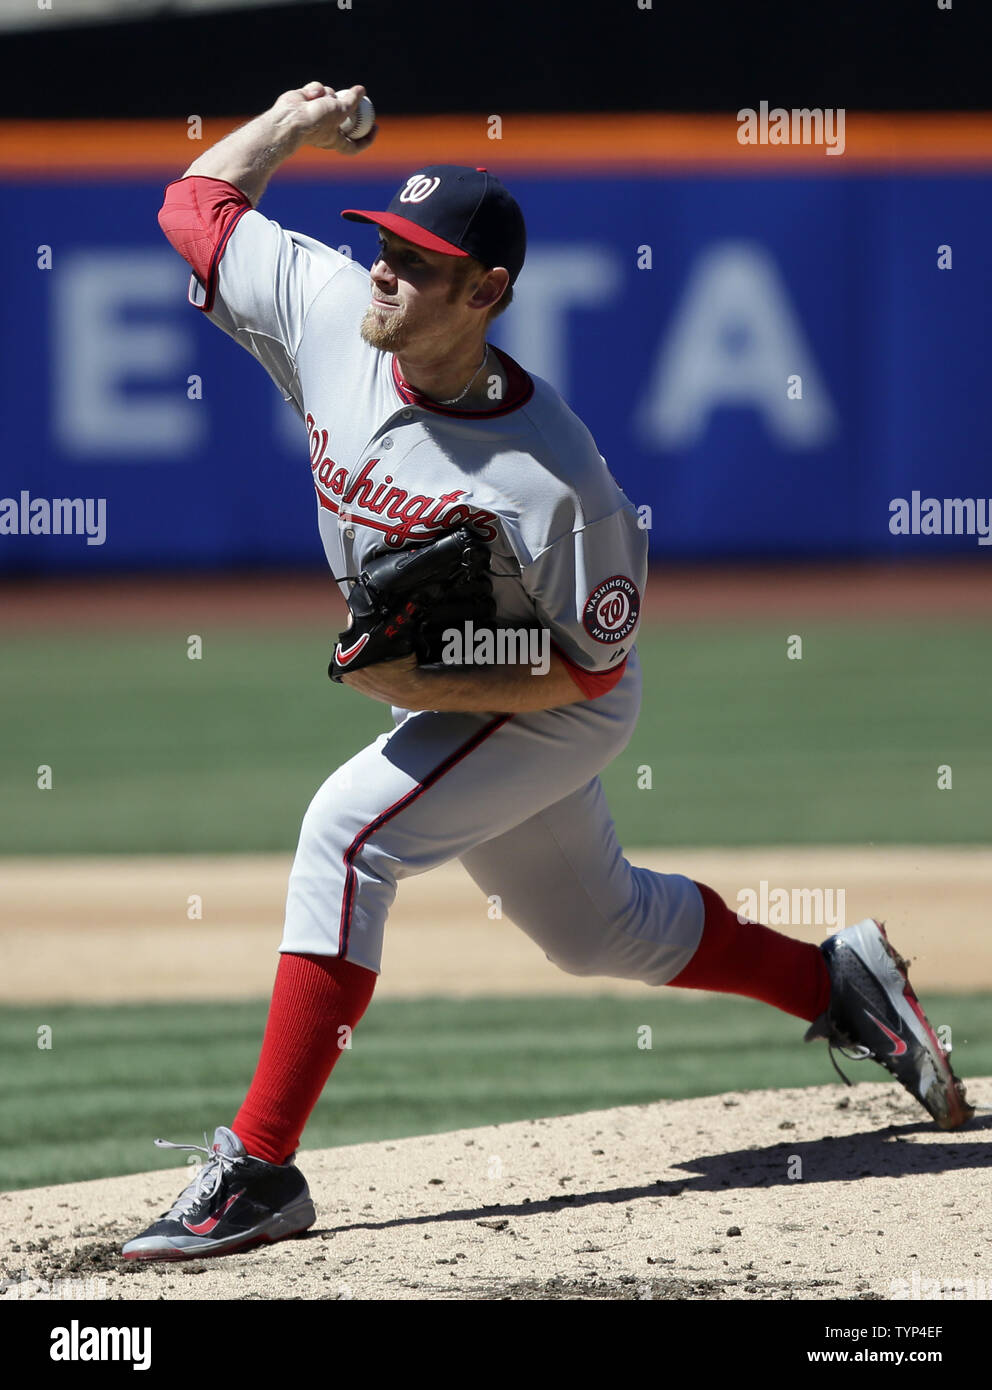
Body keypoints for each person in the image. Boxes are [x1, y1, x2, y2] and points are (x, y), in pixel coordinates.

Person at [122, 82, 971, 1261]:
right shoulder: (327, 304)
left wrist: (430, 679)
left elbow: (583, 673)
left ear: (485, 294)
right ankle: (837, 980)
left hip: (557, 700)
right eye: (381, 246)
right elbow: (195, 204)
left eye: (415, 265)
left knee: (349, 833)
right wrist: (285, 125)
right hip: (481, 687)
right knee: (597, 928)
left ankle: (259, 1168)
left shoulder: (558, 481)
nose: (381, 273)